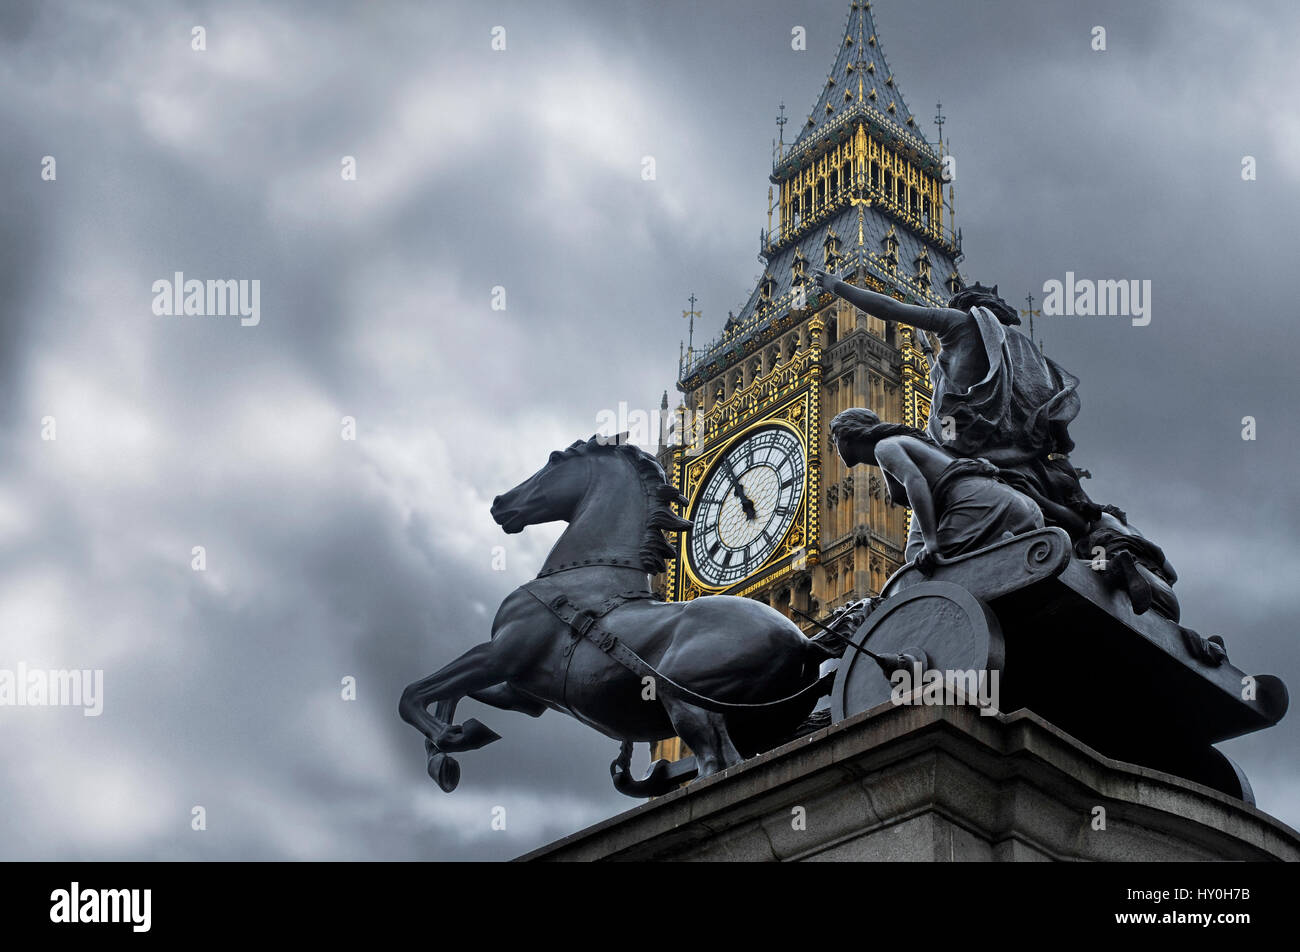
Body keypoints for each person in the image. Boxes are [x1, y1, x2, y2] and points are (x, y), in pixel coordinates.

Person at [811, 268, 1100, 541]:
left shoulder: (958, 322)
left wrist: (837, 286)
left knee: (922, 531)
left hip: (963, 441)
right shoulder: (1022, 348)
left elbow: (890, 310)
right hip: (1015, 447)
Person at [829, 408, 1044, 573]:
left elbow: (916, 481)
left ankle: (1002, 548)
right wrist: (916, 547)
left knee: (931, 571)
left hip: (978, 504)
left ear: (847, 437)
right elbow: (917, 519)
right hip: (1012, 503)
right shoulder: (910, 444)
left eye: (835, 439)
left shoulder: (885, 447)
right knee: (915, 558)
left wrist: (932, 543)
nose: (835, 448)